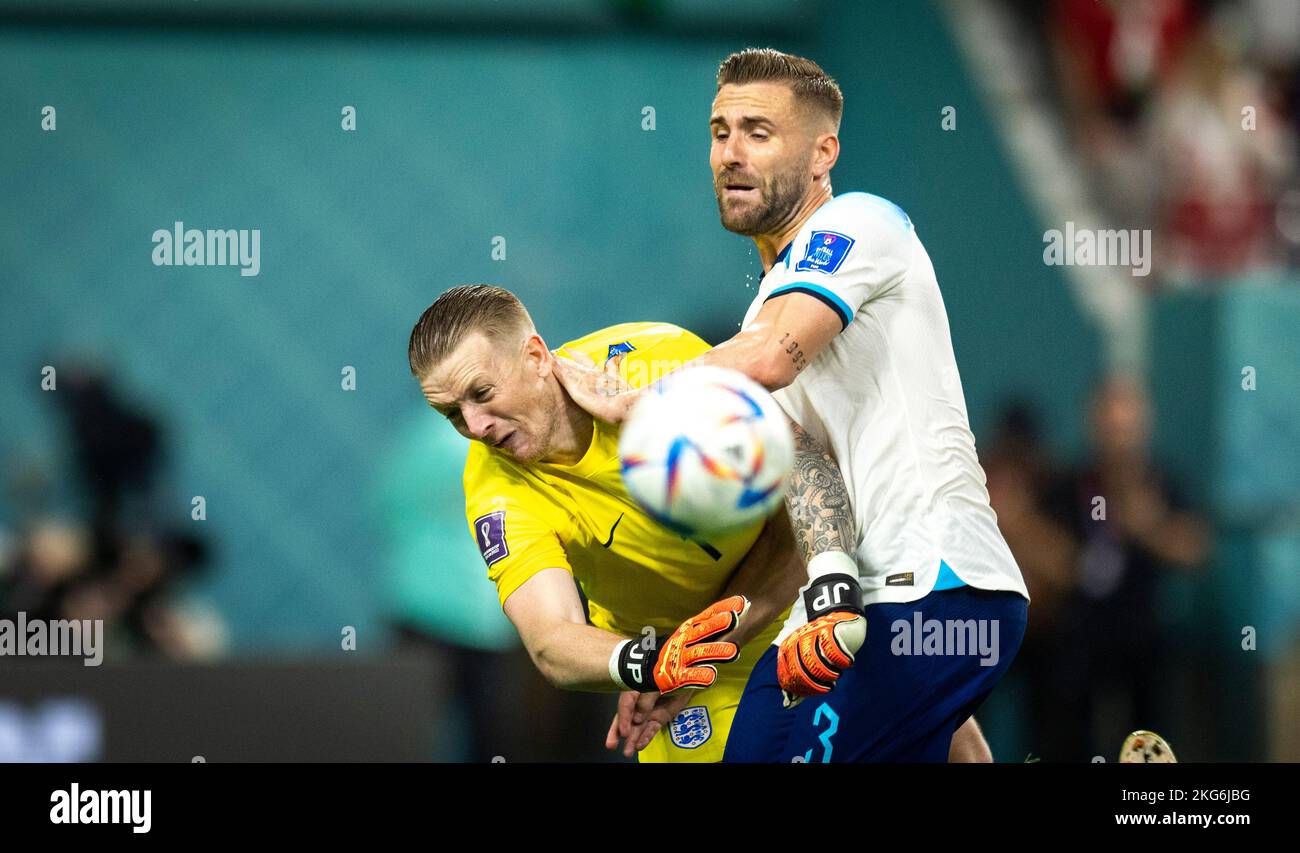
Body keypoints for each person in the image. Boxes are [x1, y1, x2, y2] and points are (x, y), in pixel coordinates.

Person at [554, 48, 1030, 762]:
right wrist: (698, 656)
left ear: (822, 152)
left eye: (757, 131)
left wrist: (639, 400)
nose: (730, 154)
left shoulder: (861, 224)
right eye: (719, 132)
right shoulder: (755, 322)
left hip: (930, 588)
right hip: (851, 607)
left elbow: (778, 354)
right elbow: (800, 506)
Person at [406, 284, 810, 762]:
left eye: (482, 393)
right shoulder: (495, 490)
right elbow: (550, 640)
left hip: (806, 620)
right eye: (453, 413)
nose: (476, 427)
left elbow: (803, 512)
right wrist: (650, 662)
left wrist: (720, 630)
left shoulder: (660, 360)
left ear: (536, 356)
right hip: (685, 678)